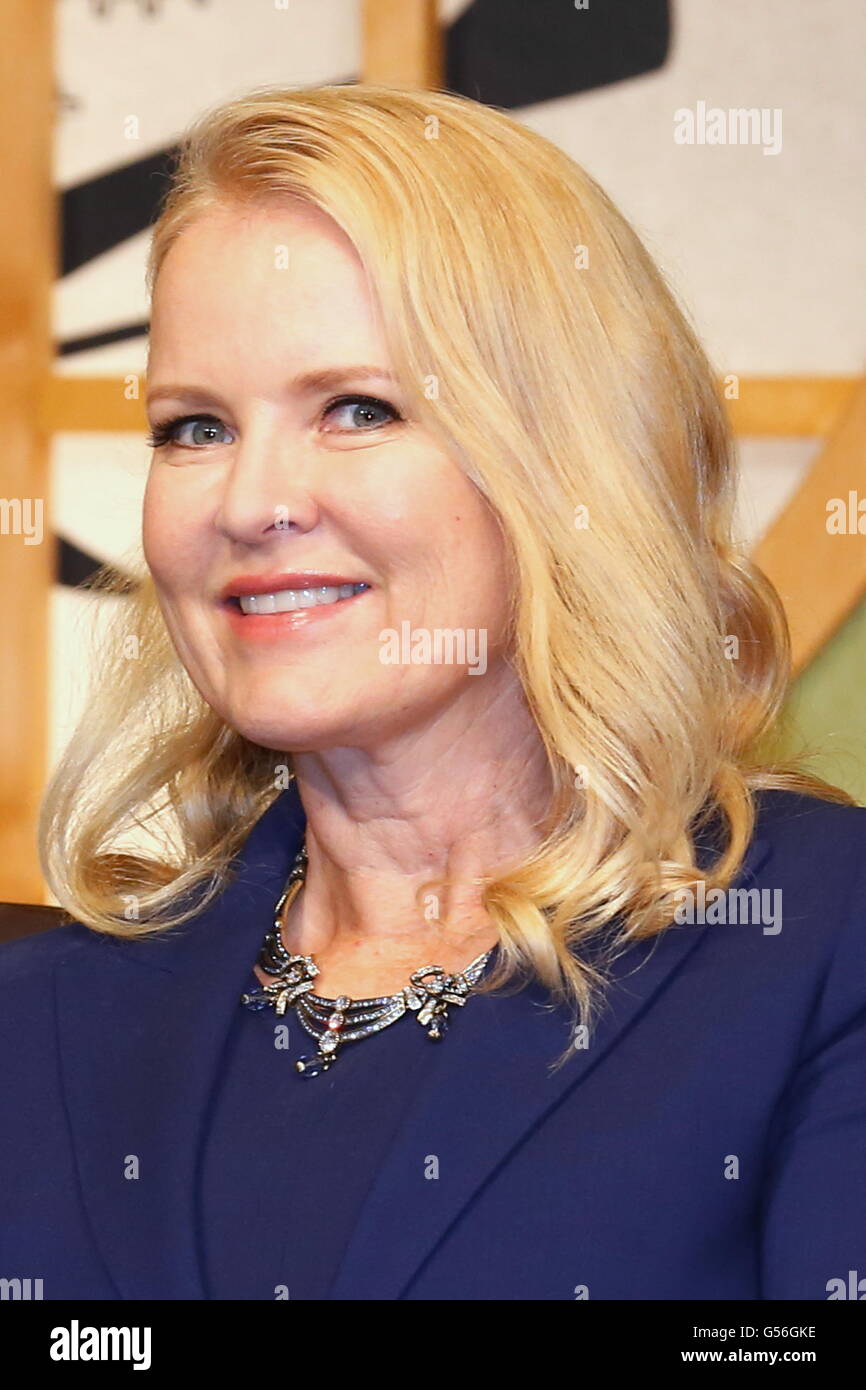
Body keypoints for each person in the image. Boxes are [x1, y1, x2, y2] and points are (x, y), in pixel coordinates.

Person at [1, 82, 864, 1301]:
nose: (249, 503)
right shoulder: (37, 1019)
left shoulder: (819, 941)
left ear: (566, 462)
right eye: (193, 427)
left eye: (357, 409)